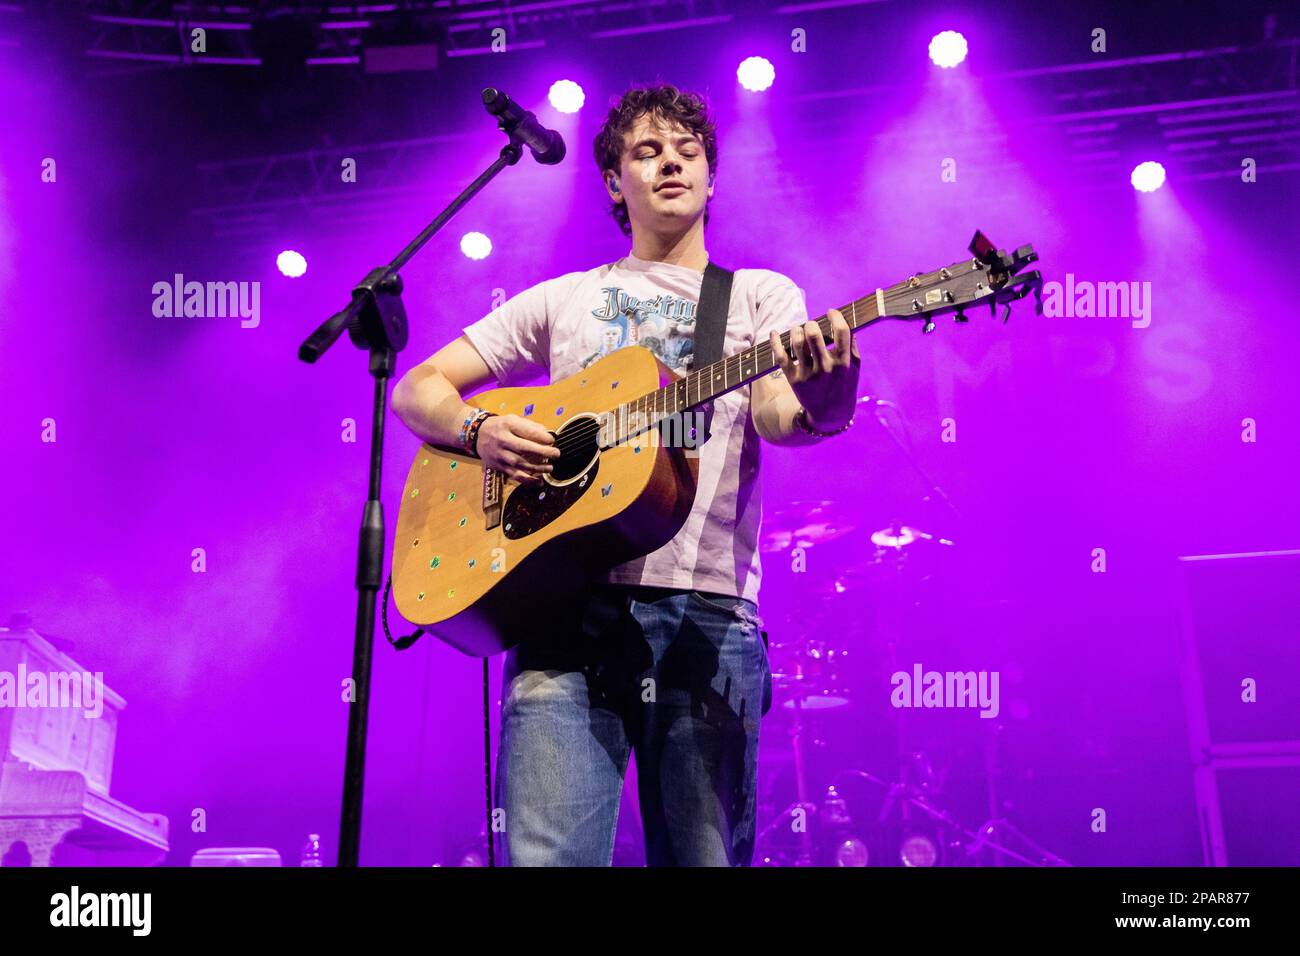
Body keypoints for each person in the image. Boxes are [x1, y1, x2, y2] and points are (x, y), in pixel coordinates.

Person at [391, 83, 860, 866]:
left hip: (709, 617)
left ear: (712, 176)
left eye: (688, 150)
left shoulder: (757, 297)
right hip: (563, 612)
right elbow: (417, 389)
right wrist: (482, 430)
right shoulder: (565, 299)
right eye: (647, 150)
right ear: (616, 182)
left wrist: (829, 390)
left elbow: (785, 420)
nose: (671, 161)